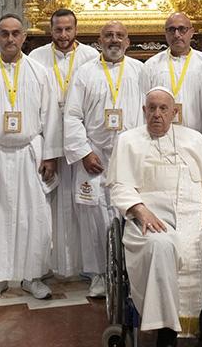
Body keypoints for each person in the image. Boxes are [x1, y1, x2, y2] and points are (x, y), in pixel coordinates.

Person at [108, 87, 202, 347]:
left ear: (175, 112)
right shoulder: (128, 141)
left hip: (198, 215)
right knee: (161, 245)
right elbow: (120, 186)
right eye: (152, 108)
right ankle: (166, 332)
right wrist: (139, 209)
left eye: (163, 109)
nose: (156, 114)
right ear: (144, 110)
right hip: (152, 218)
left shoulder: (193, 139)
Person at [0, 14, 60, 300]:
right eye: (4, 33)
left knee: (32, 217)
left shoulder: (39, 71)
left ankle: (32, 276)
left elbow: (50, 116)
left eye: (16, 33)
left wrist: (50, 155)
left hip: (28, 152)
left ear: (24, 37)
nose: (10, 39)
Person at [63, 20, 145, 298]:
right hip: (94, 157)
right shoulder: (85, 73)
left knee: (130, 213)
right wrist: (84, 152)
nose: (114, 40)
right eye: (108, 35)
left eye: (119, 36)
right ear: (99, 40)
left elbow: (148, 116)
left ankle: (131, 273)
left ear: (128, 42)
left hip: (128, 157)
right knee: (93, 217)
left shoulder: (139, 71)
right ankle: (98, 274)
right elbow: (72, 115)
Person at [29, 8, 99, 278]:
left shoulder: (91, 57)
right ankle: (52, 262)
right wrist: (48, 151)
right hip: (49, 138)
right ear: (50, 30)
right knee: (50, 205)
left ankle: (85, 265)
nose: (63, 35)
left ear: (76, 29)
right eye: (58, 29)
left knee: (83, 202)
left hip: (81, 140)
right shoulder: (36, 58)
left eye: (68, 29)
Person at [141, 12, 202, 135]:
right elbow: (144, 107)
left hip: (196, 138)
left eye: (182, 29)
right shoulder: (151, 65)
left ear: (192, 32)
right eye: (171, 30)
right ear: (166, 33)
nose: (177, 35)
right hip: (161, 138)